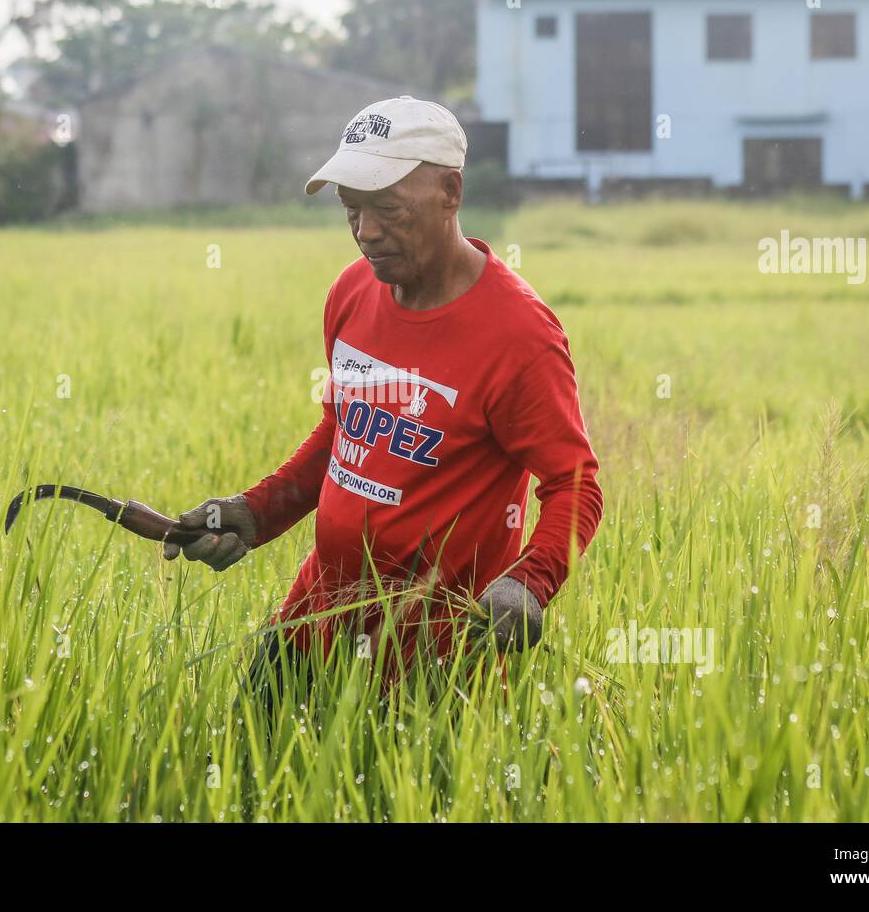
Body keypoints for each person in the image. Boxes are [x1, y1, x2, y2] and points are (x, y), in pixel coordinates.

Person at [165, 96, 603, 716]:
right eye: (352, 211)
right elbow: (342, 436)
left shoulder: (518, 336)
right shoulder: (351, 291)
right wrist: (258, 512)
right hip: (315, 618)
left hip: (435, 654)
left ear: (449, 192)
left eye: (388, 210)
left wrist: (531, 584)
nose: (366, 232)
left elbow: (574, 484)